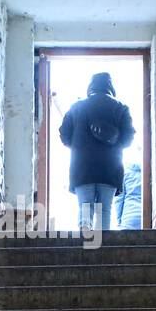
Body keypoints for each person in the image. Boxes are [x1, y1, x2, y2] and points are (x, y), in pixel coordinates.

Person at [58, 72, 136, 230]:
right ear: (110, 87)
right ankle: (103, 248)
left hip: (82, 167)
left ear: (90, 87)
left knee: (85, 208)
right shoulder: (120, 108)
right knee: (104, 210)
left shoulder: (77, 106)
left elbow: (64, 133)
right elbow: (128, 139)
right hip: (110, 167)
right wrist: (114, 141)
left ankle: (85, 244)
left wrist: (78, 146)